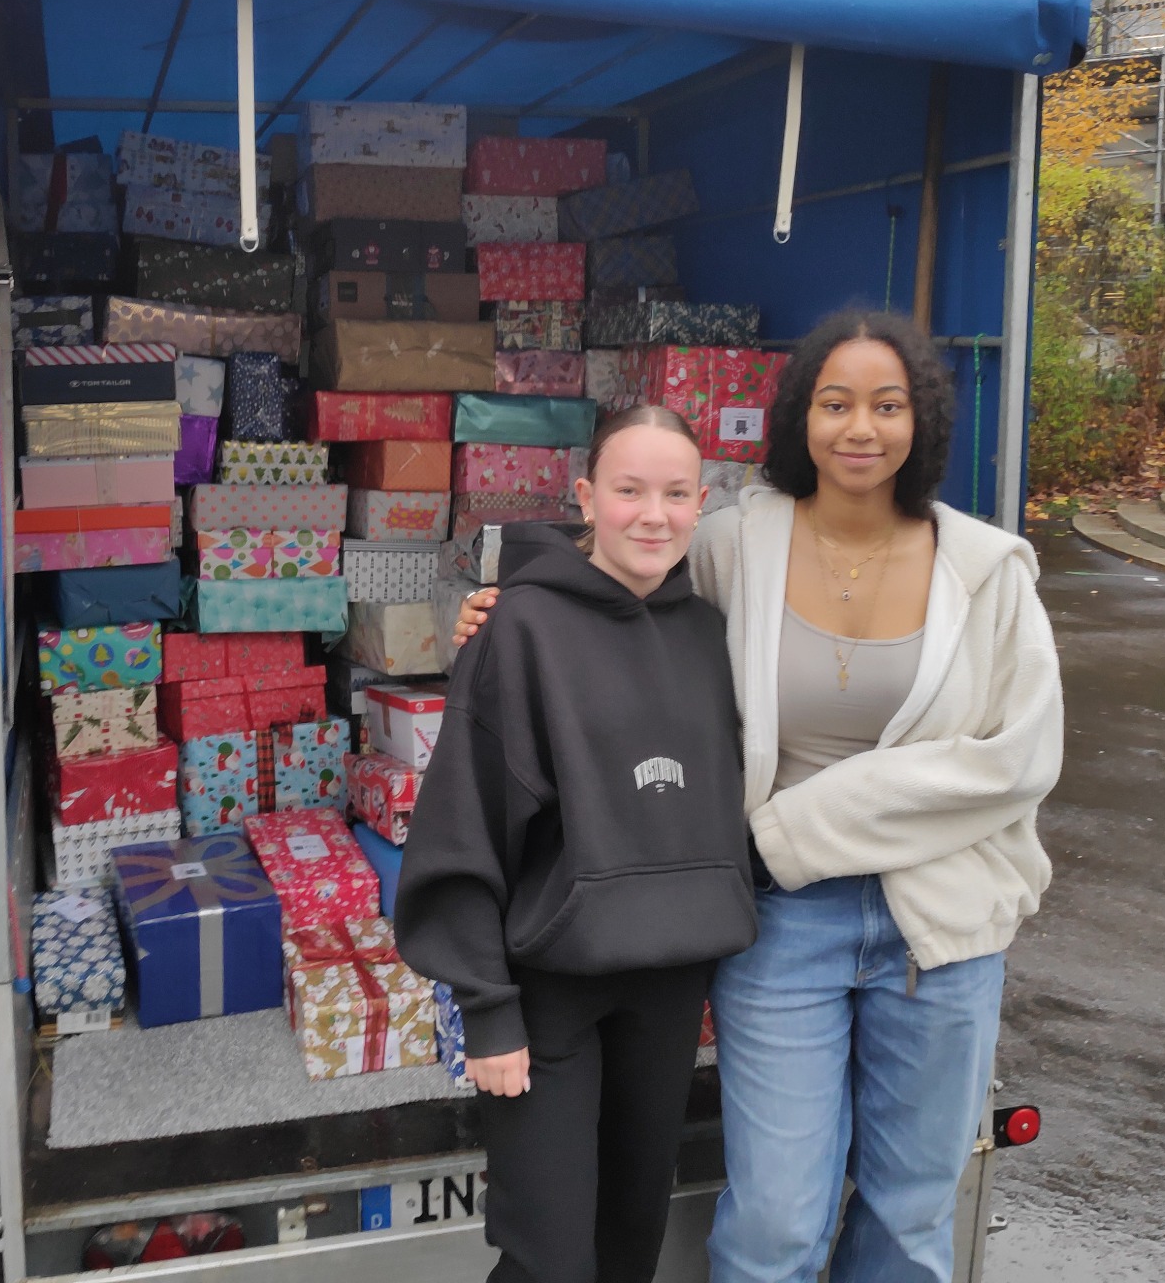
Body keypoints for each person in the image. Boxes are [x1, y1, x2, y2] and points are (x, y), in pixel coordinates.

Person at [453, 311, 1064, 1283]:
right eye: (834, 403)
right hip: (782, 922)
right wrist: (514, 603)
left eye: (887, 405)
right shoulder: (738, 544)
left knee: (911, 1217)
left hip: (939, 926)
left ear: (921, 420)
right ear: (798, 419)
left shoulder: (987, 571)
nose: (859, 427)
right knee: (776, 1223)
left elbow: (1020, 759)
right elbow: (627, 569)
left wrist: (788, 830)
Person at [397, 405, 758, 1283]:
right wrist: (487, 1009)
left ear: (701, 503)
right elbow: (464, 825)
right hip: (550, 992)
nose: (653, 515)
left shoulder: (712, 637)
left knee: (630, 1243)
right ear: (586, 498)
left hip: (669, 991)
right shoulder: (519, 629)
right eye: (630, 491)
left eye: (676, 494)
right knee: (548, 1256)